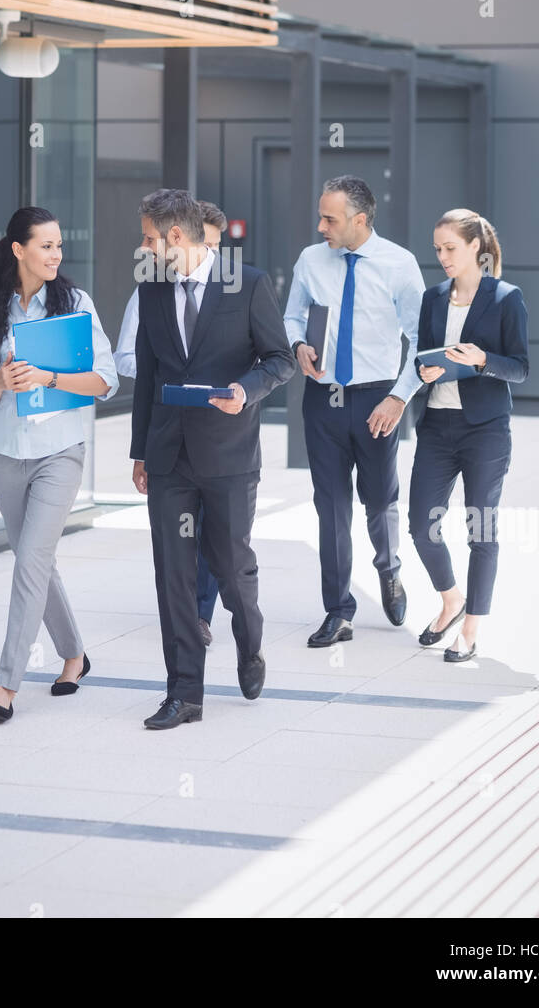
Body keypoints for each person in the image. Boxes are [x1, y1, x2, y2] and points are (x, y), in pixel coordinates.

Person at [130, 188, 295, 728]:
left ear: (176, 236)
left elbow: (279, 360)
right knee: (173, 574)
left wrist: (246, 390)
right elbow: (149, 377)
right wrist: (140, 452)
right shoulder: (152, 289)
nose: (144, 246)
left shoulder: (247, 284)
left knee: (229, 565)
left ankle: (250, 643)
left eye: (149, 238)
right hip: (169, 457)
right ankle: (185, 693)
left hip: (228, 456)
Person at [0, 206, 118, 721]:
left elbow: (104, 382)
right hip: (5, 455)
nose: (56, 254)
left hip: (60, 452)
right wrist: (0, 383)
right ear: (18, 250)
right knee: (38, 562)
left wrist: (49, 379)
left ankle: (5, 687)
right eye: (46, 245)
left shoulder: (75, 304)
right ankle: (74, 656)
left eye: (59, 245)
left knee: (30, 562)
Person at [283, 176, 425, 646]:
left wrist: (398, 398)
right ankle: (339, 610)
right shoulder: (310, 259)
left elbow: (422, 342)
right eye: (321, 216)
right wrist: (298, 343)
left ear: (360, 220)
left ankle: (388, 569)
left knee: (379, 500)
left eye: (330, 219)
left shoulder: (399, 265)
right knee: (331, 507)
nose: (321, 226)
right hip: (323, 399)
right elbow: (292, 316)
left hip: (377, 399)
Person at [409, 209, 528, 661]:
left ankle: (471, 627)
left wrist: (482, 360)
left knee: (481, 529)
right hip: (438, 427)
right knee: (422, 525)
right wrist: (427, 369)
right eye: (437, 249)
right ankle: (451, 599)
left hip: (485, 431)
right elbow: (421, 360)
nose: (441, 257)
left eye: (449, 248)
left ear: (476, 247)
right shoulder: (434, 298)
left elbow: (520, 368)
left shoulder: (506, 298)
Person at [115, 199, 228, 645]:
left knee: (215, 537)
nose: (210, 257)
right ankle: (189, 619)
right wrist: (172, 375)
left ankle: (203, 611)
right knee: (177, 537)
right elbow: (129, 357)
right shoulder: (151, 290)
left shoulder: (236, 290)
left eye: (216, 247)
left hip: (220, 439)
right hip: (169, 436)